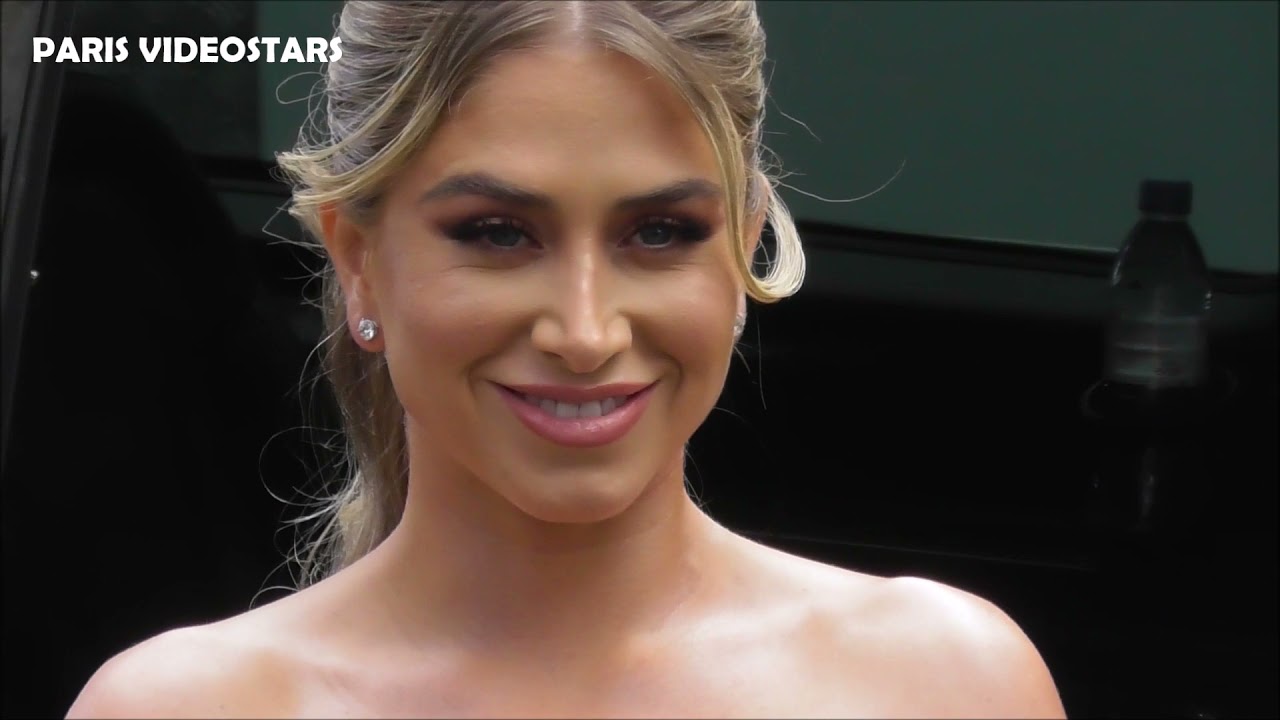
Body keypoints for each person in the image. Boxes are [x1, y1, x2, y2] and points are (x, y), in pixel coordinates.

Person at [66, 1, 1066, 717]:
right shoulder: (180, 707)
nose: (584, 333)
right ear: (358, 260)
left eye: (660, 231)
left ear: (744, 244)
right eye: (498, 232)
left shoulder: (939, 686)